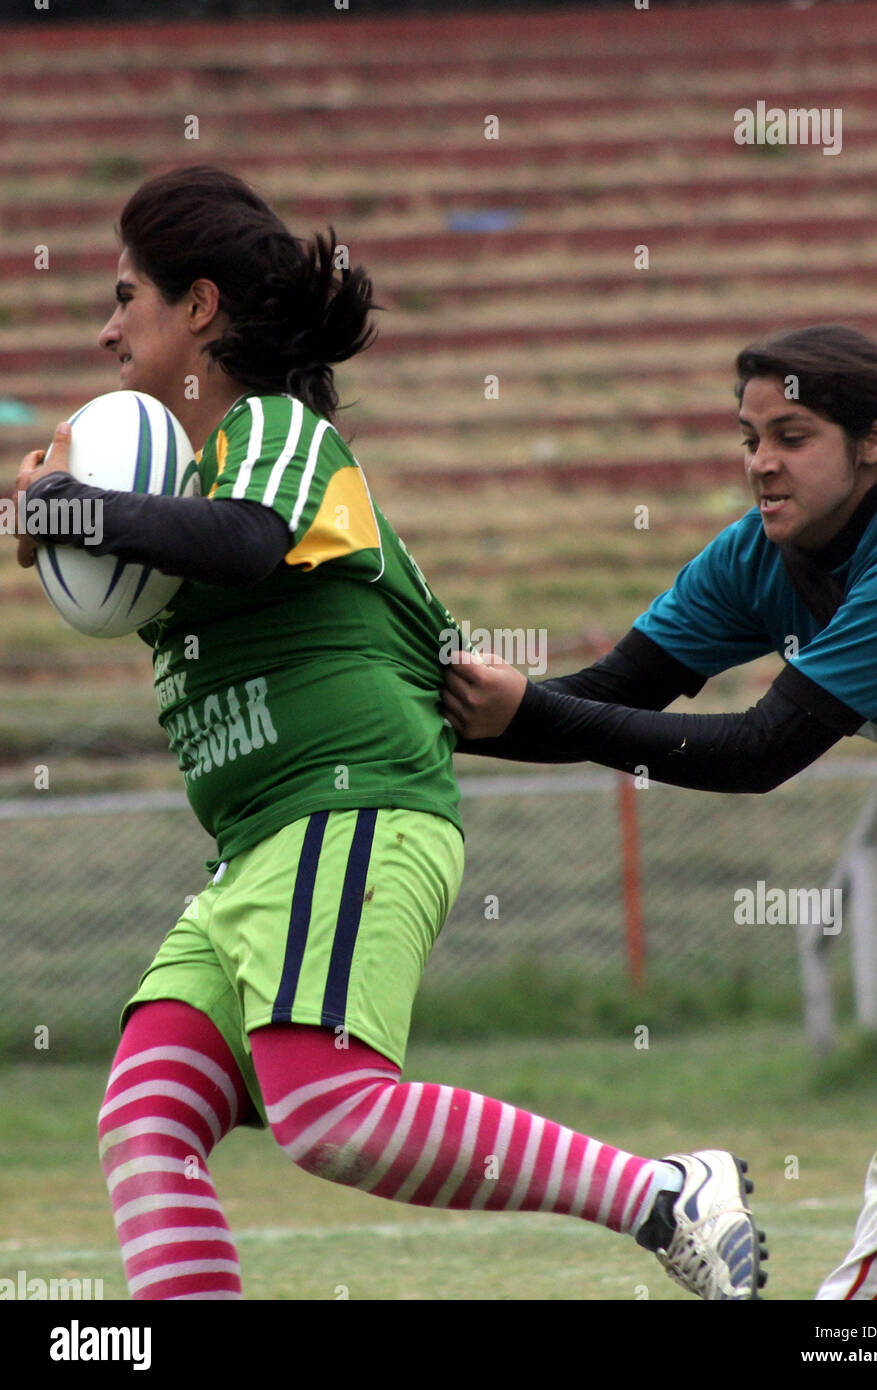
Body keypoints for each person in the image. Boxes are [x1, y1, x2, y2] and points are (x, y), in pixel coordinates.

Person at [11, 164, 765, 1302]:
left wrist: (67, 511)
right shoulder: (185, 478)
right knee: (145, 1115)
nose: (107, 329)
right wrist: (70, 520)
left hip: (346, 805)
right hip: (259, 849)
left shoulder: (274, 433)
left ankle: (662, 1193)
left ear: (200, 308)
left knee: (326, 1110)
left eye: (128, 297)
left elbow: (249, 542)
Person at [443, 322, 877, 1301]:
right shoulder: (758, 556)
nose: (761, 464)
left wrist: (524, 708)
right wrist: (409, 715)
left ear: (872, 442)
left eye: (790, 435)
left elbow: (758, 752)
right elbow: (614, 691)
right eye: (748, 438)